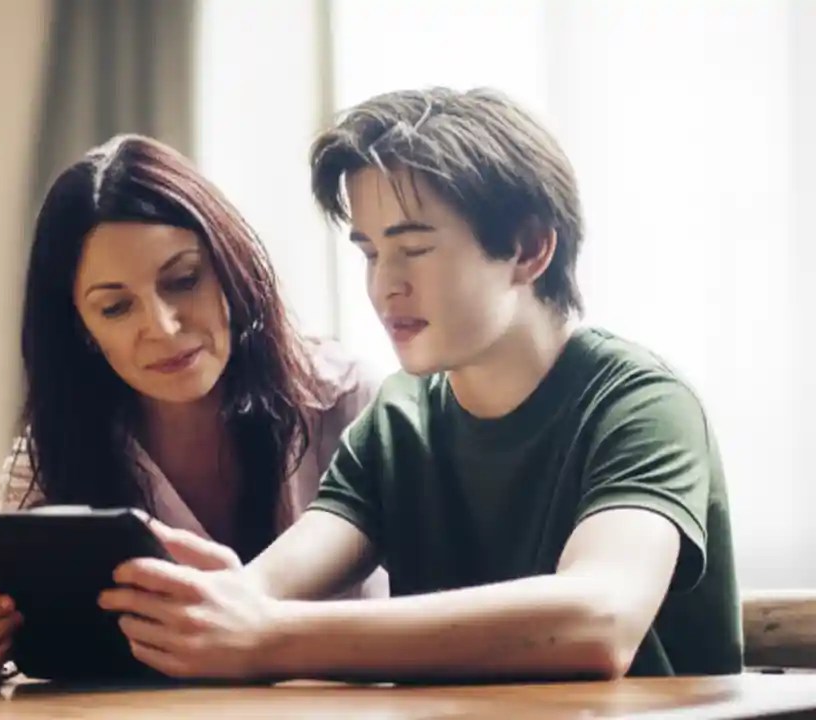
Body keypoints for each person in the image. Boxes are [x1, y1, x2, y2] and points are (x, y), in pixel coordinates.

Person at [98, 88, 741, 681]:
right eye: (371, 253)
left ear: (529, 249)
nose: (384, 287)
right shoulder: (397, 419)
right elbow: (267, 589)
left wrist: (269, 635)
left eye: (415, 248)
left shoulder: (640, 405)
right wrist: (203, 603)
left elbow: (599, 619)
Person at [0, 134, 386, 679]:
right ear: (82, 330)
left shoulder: (347, 401)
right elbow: (40, 655)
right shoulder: (53, 449)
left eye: (183, 280)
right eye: (116, 307)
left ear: (231, 269)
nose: (163, 328)